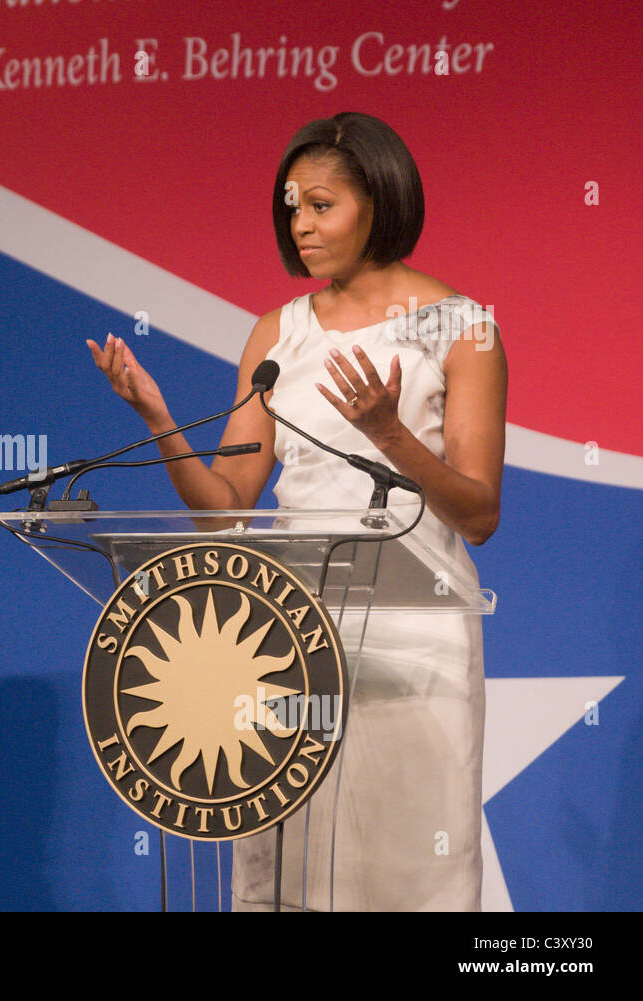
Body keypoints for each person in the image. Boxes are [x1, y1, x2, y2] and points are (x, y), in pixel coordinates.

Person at [87, 111, 506, 911]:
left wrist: (389, 434)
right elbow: (224, 512)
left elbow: (479, 511)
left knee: (409, 884)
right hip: (289, 642)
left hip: (415, 645)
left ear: (377, 204)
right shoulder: (279, 332)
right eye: (291, 205)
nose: (299, 224)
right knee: (289, 888)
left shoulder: (462, 327)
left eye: (321, 205)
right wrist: (158, 419)